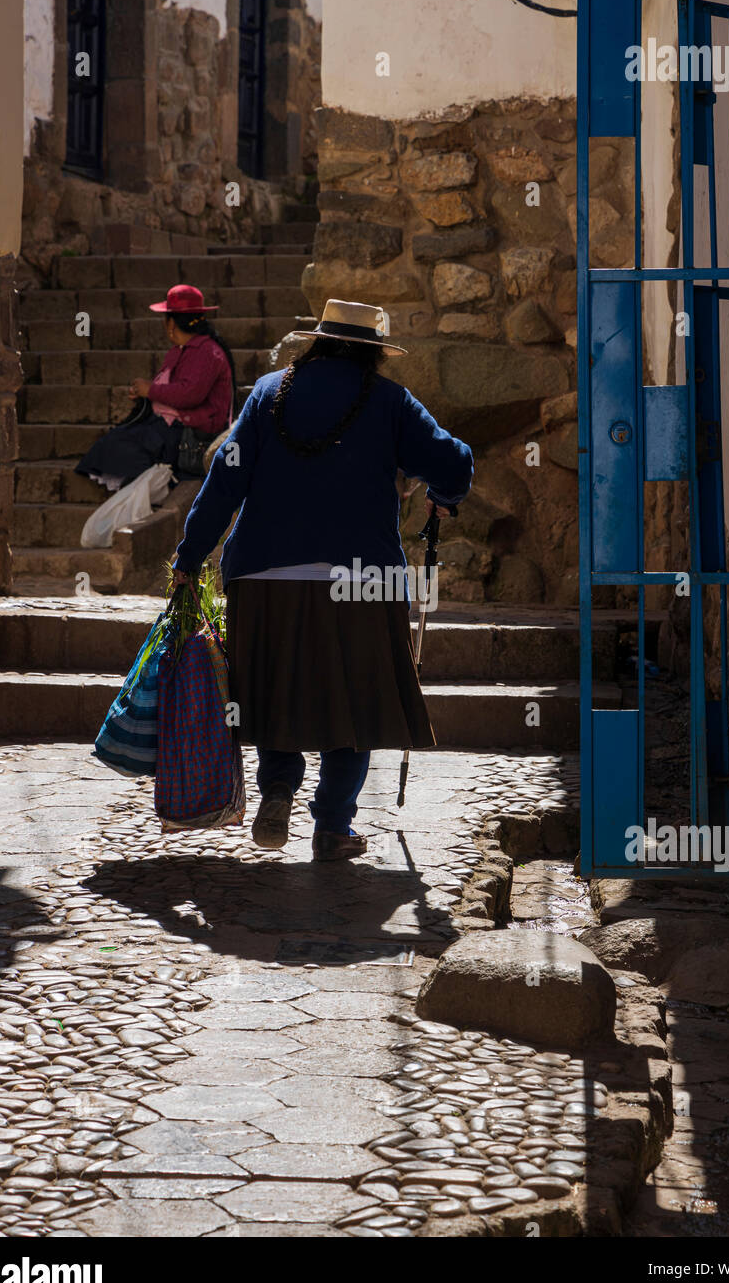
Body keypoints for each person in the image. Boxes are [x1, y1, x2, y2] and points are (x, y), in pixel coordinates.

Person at [169, 298, 473, 862]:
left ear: (319, 341)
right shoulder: (390, 402)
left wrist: (189, 556)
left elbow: (223, 481)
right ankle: (333, 825)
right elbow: (454, 461)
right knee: (352, 702)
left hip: (265, 578)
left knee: (276, 689)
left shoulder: (268, 394)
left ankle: (279, 788)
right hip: (359, 581)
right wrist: (443, 497)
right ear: (374, 354)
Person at [76, 285, 235, 491]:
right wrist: (144, 393)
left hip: (191, 432)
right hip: (171, 424)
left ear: (170, 323)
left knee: (123, 445)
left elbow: (189, 395)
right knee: (119, 438)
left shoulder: (207, 352)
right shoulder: (180, 351)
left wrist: (150, 390)